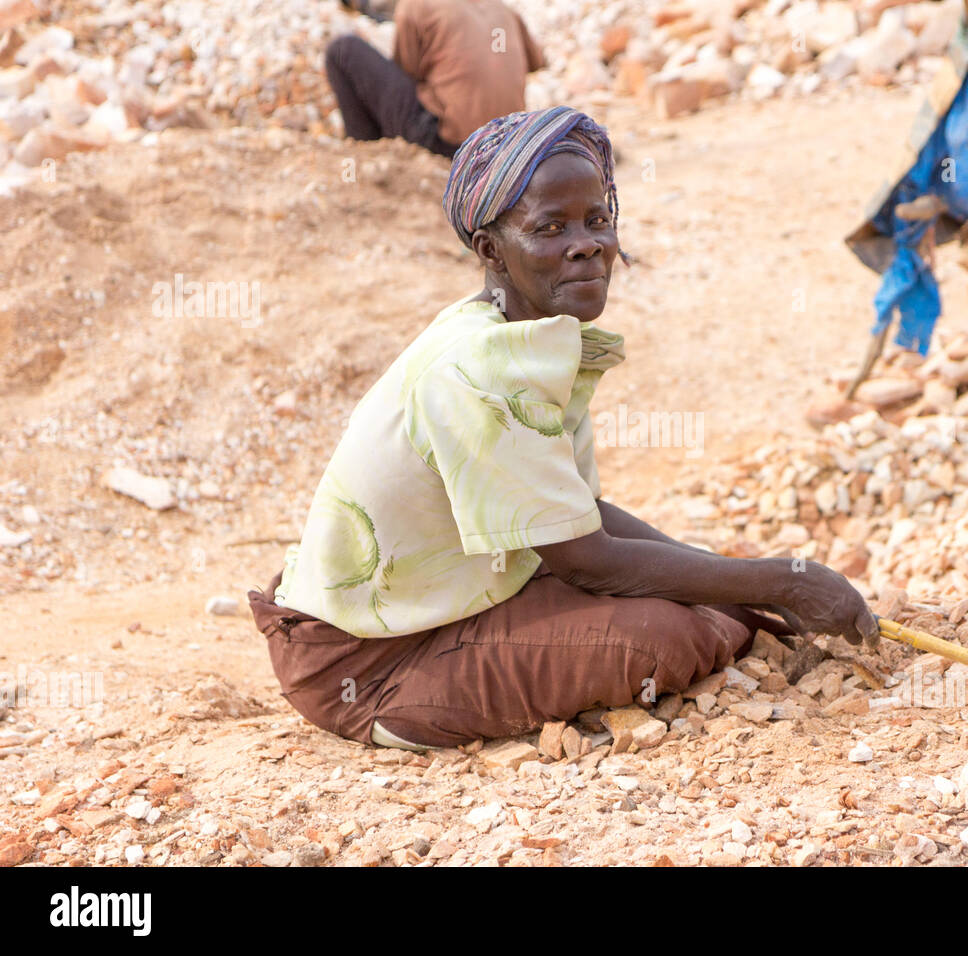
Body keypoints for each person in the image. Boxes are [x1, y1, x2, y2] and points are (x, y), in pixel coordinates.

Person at [247, 106, 878, 752]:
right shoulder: (479, 368)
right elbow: (590, 560)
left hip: (455, 599)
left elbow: (584, 516)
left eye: (597, 220)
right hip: (364, 661)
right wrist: (783, 582)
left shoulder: (529, 340)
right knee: (668, 638)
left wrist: (735, 580)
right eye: (551, 228)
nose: (588, 244)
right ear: (491, 250)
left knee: (708, 606)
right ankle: (406, 710)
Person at [324, 0, 545, 158]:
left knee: (342, 51)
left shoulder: (417, 5)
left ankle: (365, 155)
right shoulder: (503, 9)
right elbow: (538, 62)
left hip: (449, 142)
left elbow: (407, 71)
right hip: (507, 142)